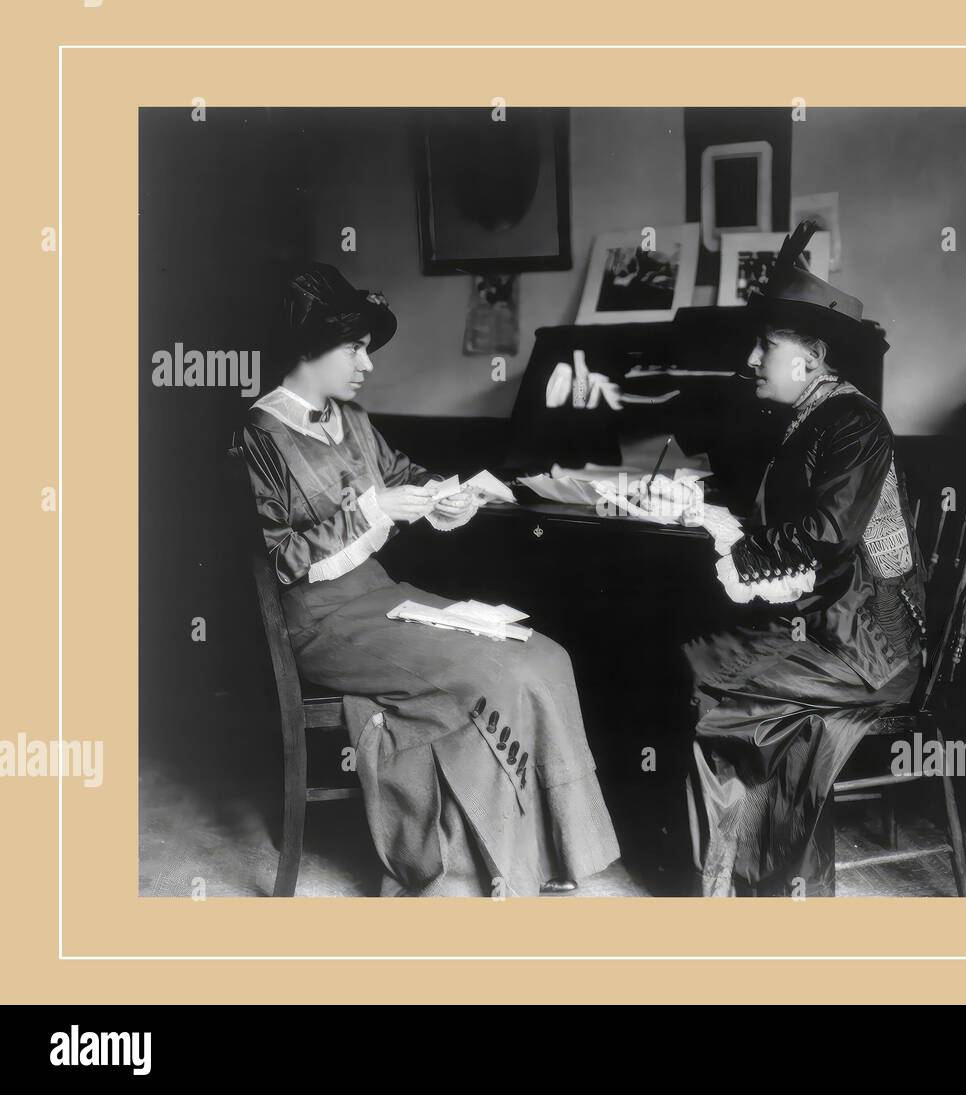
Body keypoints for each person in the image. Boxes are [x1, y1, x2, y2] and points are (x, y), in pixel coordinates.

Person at [241, 262, 620, 897]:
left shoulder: (353, 418)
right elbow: (280, 558)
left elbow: (404, 473)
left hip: (378, 594)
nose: (367, 364)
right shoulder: (259, 435)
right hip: (315, 619)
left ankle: (553, 855)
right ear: (310, 348)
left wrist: (441, 496)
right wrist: (373, 509)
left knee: (540, 654)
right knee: (493, 674)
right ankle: (485, 868)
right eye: (354, 349)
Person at [680, 222, 929, 897]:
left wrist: (732, 541)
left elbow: (822, 534)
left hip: (870, 645)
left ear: (813, 356)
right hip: (827, 625)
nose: (752, 359)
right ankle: (740, 877)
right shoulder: (806, 421)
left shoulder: (853, 424)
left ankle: (742, 878)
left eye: (767, 346)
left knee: (703, 673)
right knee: (699, 658)